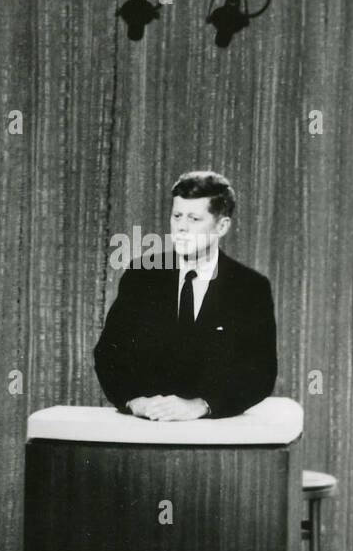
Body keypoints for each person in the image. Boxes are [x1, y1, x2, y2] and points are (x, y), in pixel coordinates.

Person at [94, 170, 276, 421]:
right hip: (146, 428)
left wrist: (203, 405)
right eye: (177, 216)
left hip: (214, 435)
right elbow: (108, 354)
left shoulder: (249, 287)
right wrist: (134, 401)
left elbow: (260, 372)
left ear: (222, 226)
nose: (181, 227)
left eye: (194, 218)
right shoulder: (141, 276)